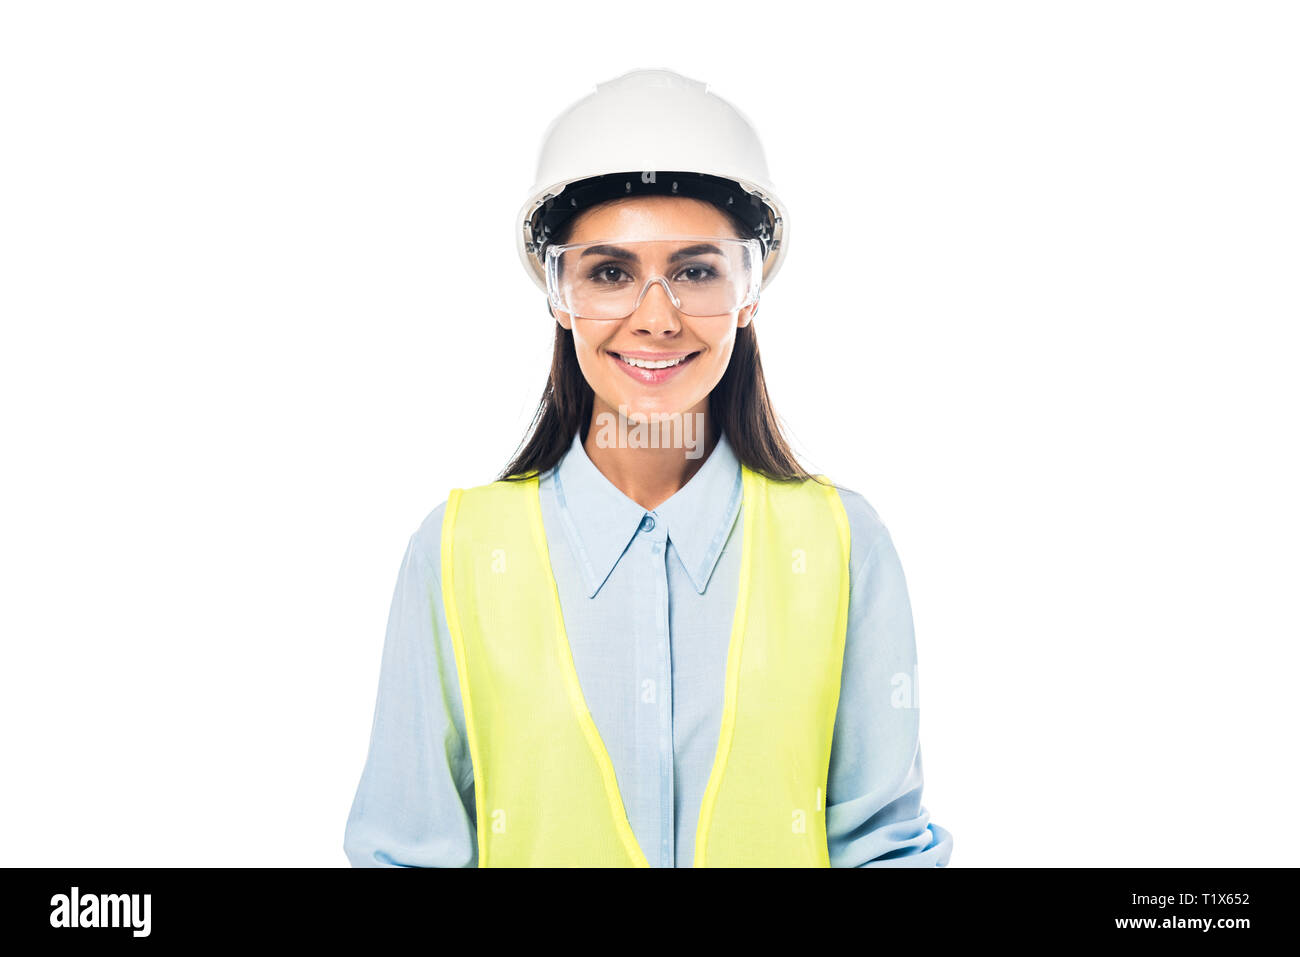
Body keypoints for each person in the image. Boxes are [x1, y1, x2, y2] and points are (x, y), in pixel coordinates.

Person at [343, 67, 953, 867]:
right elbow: (405, 854)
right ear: (560, 295)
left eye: (697, 271)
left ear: (749, 290)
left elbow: (885, 851)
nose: (656, 317)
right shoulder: (455, 553)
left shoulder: (843, 544)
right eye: (610, 273)